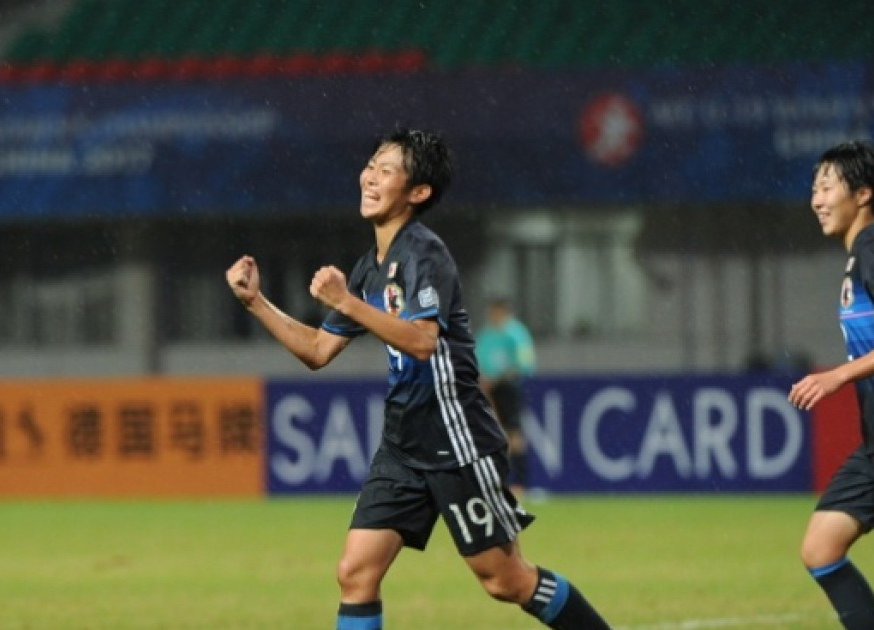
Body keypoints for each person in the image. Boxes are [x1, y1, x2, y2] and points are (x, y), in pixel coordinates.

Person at [225, 127, 610, 629]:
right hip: (403, 444)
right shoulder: (371, 266)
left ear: (418, 192)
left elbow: (423, 341)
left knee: (505, 580)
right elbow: (318, 351)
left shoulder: (424, 253)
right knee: (355, 572)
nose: (370, 176)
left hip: (457, 440)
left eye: (387, 170)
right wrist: (256, 302)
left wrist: (346, 302)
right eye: (371, 165)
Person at [789, 140, 874, 628]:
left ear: (863, 193)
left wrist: (838, 375)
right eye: (814, 188)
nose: (817, 199)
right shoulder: (861, 257)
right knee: (820, 547)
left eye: (827, 186)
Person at [475, 297, 537, 496]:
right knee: (493, 434)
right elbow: (476, 360)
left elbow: (524, 365)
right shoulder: (486, 334)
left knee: (513, 434)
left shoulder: (516, 333)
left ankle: (519, 483)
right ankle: (497, 483)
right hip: (488, 389)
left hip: (508, 388)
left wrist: (497, 378)